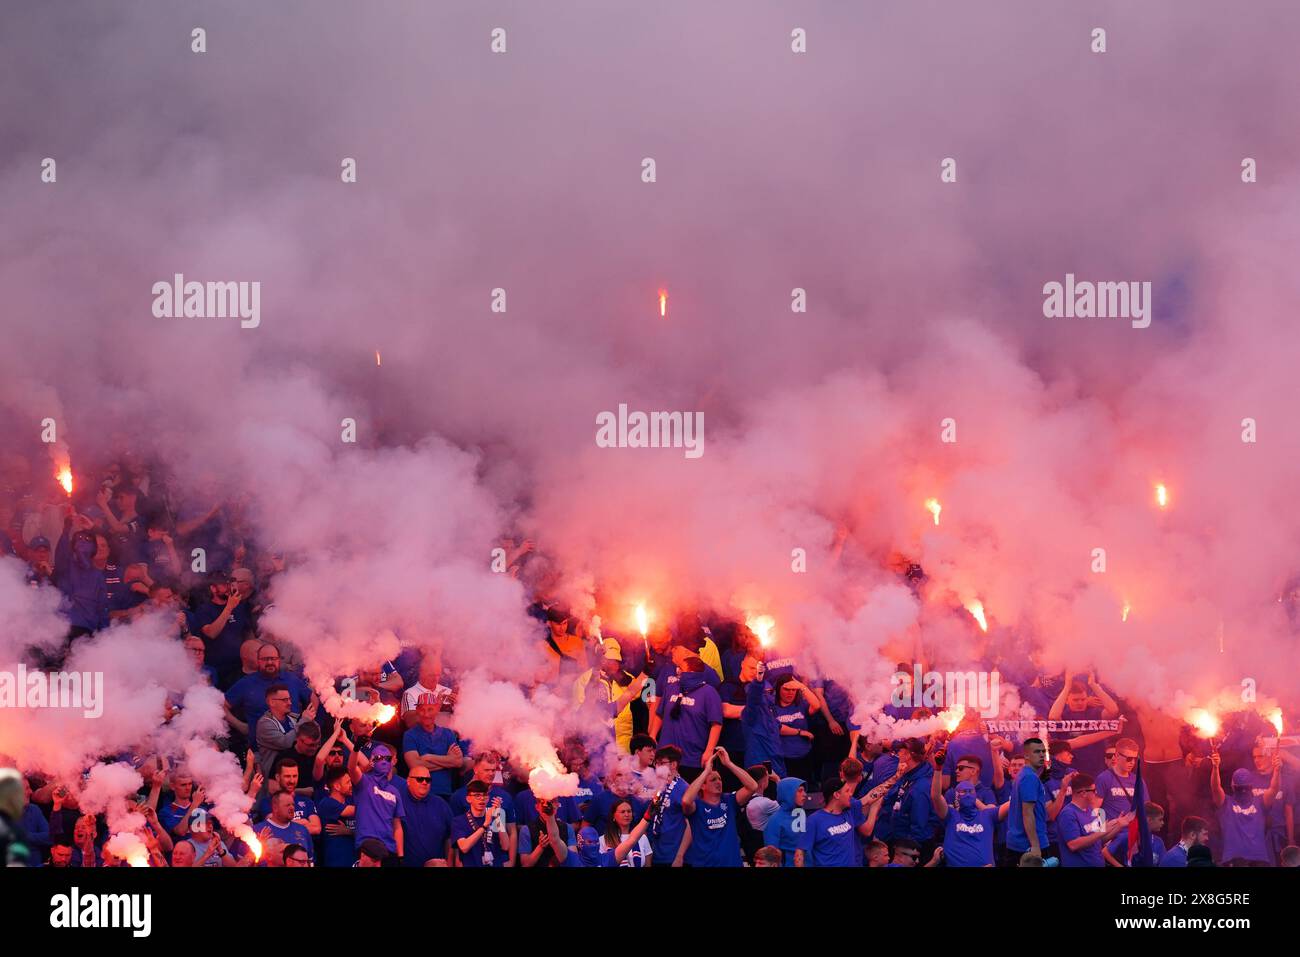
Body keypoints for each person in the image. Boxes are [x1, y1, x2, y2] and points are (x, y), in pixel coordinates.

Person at [649, 633, 724, 780]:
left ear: (691, 672)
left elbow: (716, 724)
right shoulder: (672, 687)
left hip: (692, 758)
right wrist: (652, 735)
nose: (677, 671)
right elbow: (660, 713)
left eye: (681, 669)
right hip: (666, 756)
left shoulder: (708, 692)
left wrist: (709, 751)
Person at [679, 747, 762, 867]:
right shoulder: (697, 806)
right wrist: (706, 771)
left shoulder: (729, 800)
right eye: (713, 780)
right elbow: (686, 801)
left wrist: (729, 764)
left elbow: (753, 786)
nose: (718, 782)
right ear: (703, 786)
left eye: (720, 779)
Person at [1211, 749, 1279, 866]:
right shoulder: (1261, 802)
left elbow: (1215, 787)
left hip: (1235, 858)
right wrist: (1277, 770)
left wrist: (1216, 768)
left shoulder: (1225, 802)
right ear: (1251, 785)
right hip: (1258, 858)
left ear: (1232, 785)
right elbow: (1274, 788)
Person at [1056, 773, 1129, 867]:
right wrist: (1101, 832)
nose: (1096, 793)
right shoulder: (1068, 814)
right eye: (1094, 790)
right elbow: (1073, 845)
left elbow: (1098, 841)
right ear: (1083, 793)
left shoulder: (1090, 810)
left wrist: (1119, 826)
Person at [348, 742, 404, 864]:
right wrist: (356, 748)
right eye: (379, 758)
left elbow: (397, 826)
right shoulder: (364, 782)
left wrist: (400, 856)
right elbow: (352, 768)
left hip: (389, 849)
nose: (383, 761)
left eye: (387, 758)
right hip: (367, 847)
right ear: (372, 761)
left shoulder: (394, 791)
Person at [402, 694, 465, 799]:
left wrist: (429, 757)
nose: (426, 714)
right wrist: (449, 761)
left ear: (437, 709)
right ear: (417, 710)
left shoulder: (448, 733)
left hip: (445, 793)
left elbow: (458, 762)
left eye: (430, 709)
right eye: (422, 710)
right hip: (419, 793)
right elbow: (415, 765)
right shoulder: (410, 735)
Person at [932, 776, 1001, 868]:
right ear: (956, 796)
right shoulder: (950, 815)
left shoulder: (988, 815)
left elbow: (1011, 804)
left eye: (971, 791)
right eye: (963, 792)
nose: (968, 795)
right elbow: (935, 796)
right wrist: (938, 768)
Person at [1004, 738, 1051, 866]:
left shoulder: (1026, 775)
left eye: (1043, 751)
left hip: (1020, 843)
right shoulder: (1029, 777)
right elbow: (1027, 812)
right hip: (1027, 845)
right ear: (1026, 755)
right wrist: (1035, 846)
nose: (1041, 754)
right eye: (1036, 752)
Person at [807, 777, 871, 867]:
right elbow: (801, 851)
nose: (850, 794)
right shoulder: (814, 820)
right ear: (836, 795)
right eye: (847, 791)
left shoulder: (850, 811)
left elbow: (871, 796)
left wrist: (896, 777)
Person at [396, 766, 452, 866]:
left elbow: (451, 837)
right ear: (408, 781)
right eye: (420, 779)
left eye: (428, 780)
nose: (424, 782)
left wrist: (448, 862)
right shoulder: (398, 801)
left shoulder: (440, 804)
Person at [646, 745, 689, 867]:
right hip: (655, 853)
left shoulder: (684, 789)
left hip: (673, 856)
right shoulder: (659, 785)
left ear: (673, 764)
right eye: (656, 763)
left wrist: (680, 857)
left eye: (661, 763)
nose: (657, 767)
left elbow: (691, 826)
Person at [452, 781, 510, 868]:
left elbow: (505, 846)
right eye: (477, 795)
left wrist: (498, 817)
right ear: (468, 799)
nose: (482, 798)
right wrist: (485, 825)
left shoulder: (495, 817)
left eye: (485, 795)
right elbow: (464, 847)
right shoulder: (459, 821)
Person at [1094, 738, 1150, 821]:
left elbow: (1146, 807)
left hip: (1133, 830)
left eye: (1135, 758)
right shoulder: (1104, 778)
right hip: (1113, 831)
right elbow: (1095, 808)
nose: (1132, 762)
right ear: (1117, 755)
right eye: (1129, 758)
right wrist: (1102, 831)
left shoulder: (1138, 780)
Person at [762, 776, 811, 867]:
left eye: (804, 790)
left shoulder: (801, 814)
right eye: (800, 790)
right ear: (788, 793)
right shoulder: (775, 821)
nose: (805, 794)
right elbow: (771, 857)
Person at [1103, 802, 1166, 867]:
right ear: (1148, 820)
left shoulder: (1159, 842)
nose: (1163, 823)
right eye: (1160, 820)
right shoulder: (1126, 837)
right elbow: (1105, 852)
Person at [600, 797, 653, 867]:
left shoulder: (642, 838)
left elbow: (648, 865)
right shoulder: (603, 840)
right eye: (622, 812)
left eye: (629, 811)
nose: (626, 815)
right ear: (614, 816)